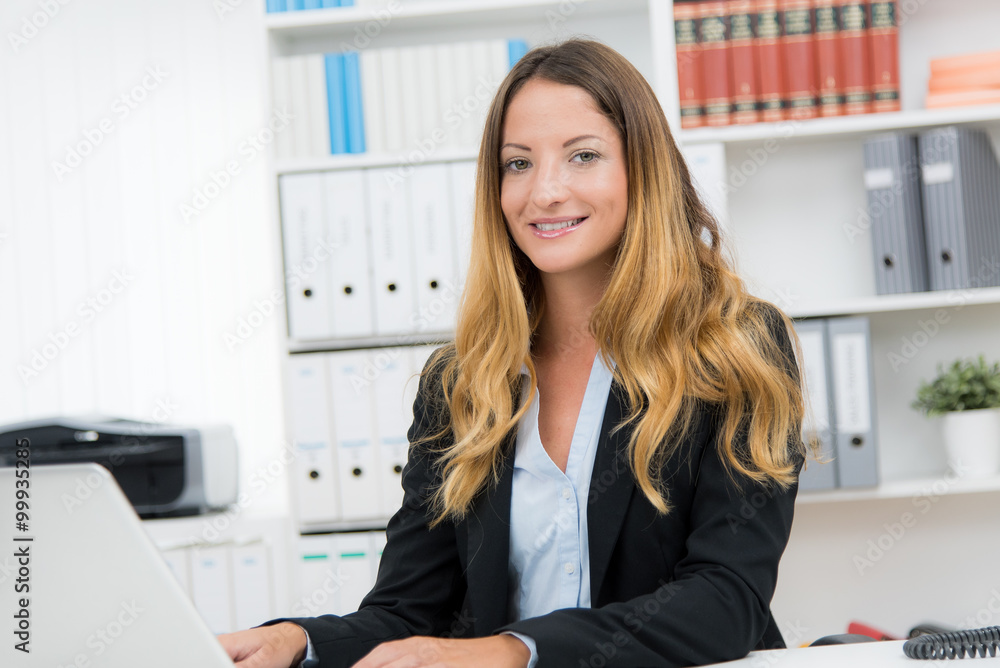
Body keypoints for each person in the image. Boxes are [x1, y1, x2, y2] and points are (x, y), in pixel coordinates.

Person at [219, 38, 807, 668]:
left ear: (643, 169)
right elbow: (408, 613)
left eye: (583, 156)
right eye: (518, 163)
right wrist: (297, 640)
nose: (544, 192)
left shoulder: (733, 346)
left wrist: (512, 651)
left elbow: (725, 601)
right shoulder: (462, 381)